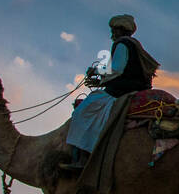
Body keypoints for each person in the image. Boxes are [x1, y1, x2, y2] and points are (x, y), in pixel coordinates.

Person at [59, 14, 161, 171]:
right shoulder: (135, 46)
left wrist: (96, 70)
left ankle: (83, 158)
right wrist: (101, 79)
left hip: (122, 91)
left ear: (120, 30)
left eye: (114, 30)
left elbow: (117, 69)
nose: (112, 34)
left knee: (83, 112)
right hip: (132, 88)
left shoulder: (122, 44)